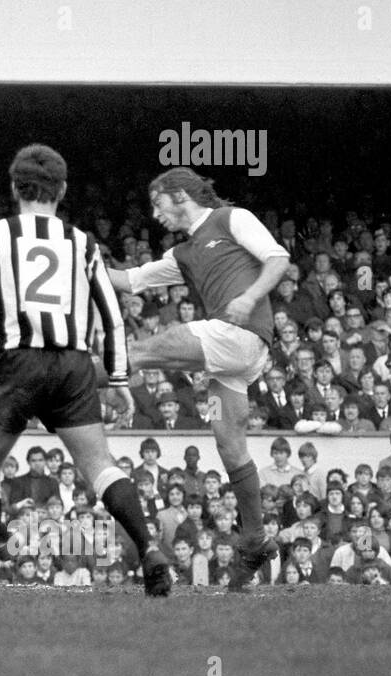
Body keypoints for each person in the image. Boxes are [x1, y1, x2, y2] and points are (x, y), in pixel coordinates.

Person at [0, 145, 169, 597]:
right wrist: (119, 378)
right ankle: (149, 550)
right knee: (100, 466)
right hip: (71, 365)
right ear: (62, 190)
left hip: (14, 362)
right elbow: (112, 313)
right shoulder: (82, 242)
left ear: (14, 187)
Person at [107, 168, 290, 591]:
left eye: (158, 203)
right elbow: (131, 281)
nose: (155, 214)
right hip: (235, 358)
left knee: (142, 350)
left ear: (179, 195)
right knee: (229, 444)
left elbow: (278, 258)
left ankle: (68, 381)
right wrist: (82, 263)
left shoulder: (232, 218)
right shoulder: (184, 253)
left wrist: (249, 296)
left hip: (238, 335)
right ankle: (255, 541)